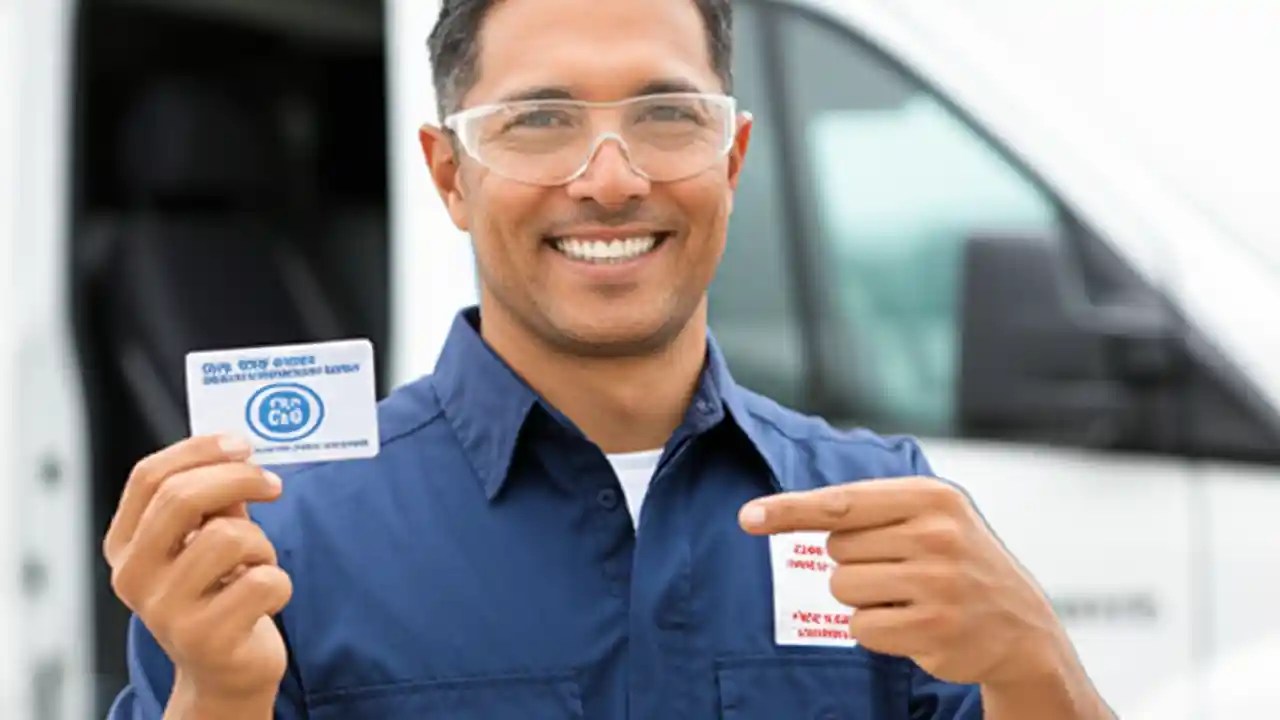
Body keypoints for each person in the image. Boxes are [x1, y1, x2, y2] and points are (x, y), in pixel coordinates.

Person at [104, 0, 1115, 717]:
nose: (609, 179)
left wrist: (1035, 667)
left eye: (665, 115)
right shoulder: (274, 541)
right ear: (448, 174)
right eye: (539, 121)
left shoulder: (886, 510)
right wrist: (219, 699)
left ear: (732, 159)